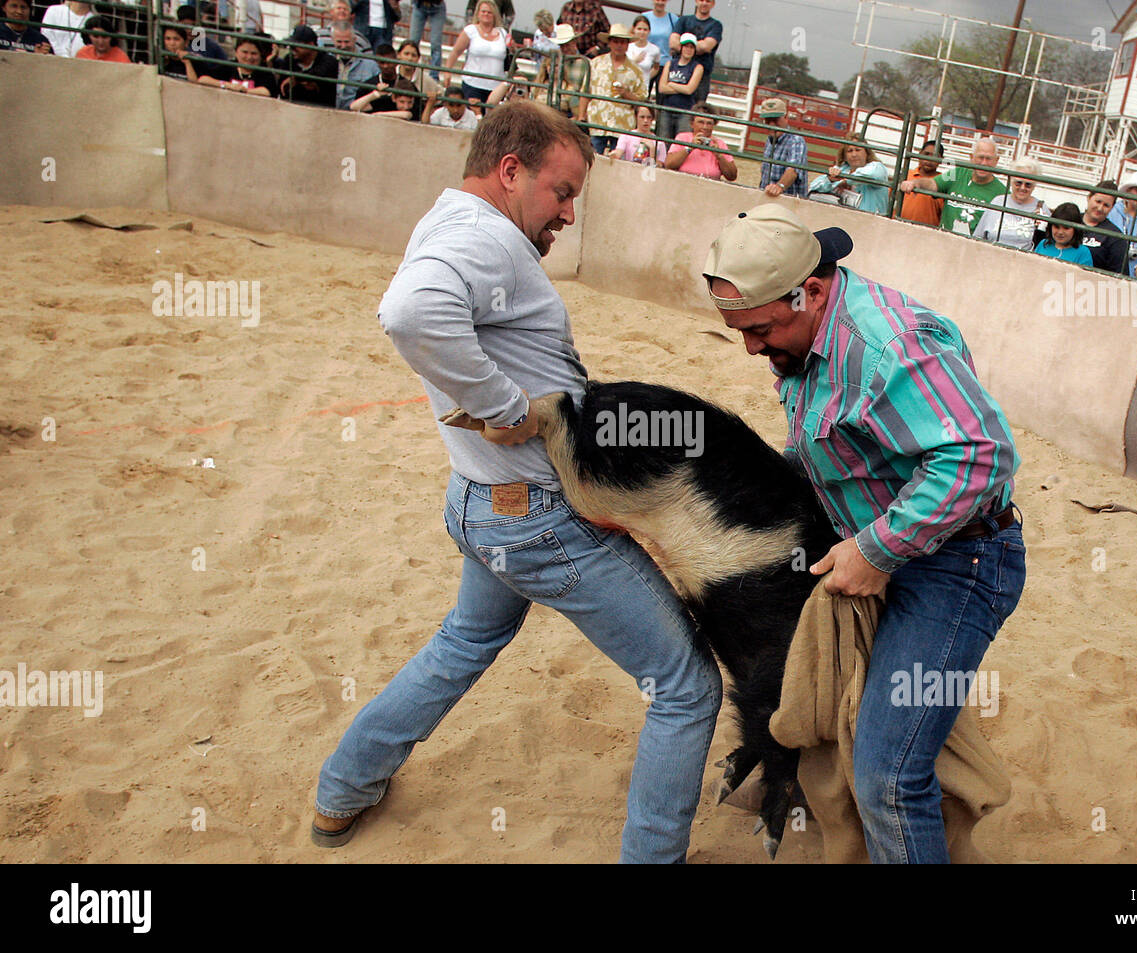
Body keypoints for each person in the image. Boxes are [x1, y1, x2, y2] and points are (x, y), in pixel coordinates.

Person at [312, 100, 723, 864]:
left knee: (465, 638)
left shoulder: (450, 219)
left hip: (480, 502)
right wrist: (507, 406)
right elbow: (409, 311)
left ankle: (343, 787)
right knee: (686, 684)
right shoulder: (489, 238)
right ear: (510, 171)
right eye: (561, 192)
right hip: (536, 517)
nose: (568, 212)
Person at [702, 203, 1024, 864]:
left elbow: (980, 454)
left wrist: (877, 550)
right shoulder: (806, 336)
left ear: (811, 291)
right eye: (742, 331)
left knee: (888, 777)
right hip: (883, 541)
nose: (753, 348)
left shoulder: (889, 344)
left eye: (760, 328)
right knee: (846, 722)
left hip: (959, 561)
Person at [900, 136, 1005, 235]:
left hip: (974, 245)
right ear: (971, 157)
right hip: (945, 239)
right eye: (980, 157)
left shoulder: (1002, 193)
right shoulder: (957, 173)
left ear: (996, 161)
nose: (984, 163)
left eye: (989, 158)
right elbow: (933, 183)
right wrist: (915, 183)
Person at [584, 24, 646, 155]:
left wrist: (626, 94)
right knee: (592, 158)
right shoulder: (595, 63)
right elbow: (585, 91)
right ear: (610, 43)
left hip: (622, 125)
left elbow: (642, 99)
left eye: (622, 42)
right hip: (597, 121)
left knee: (618, 162)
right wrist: (581, 117)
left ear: (627, 44)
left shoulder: (636, 70)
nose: (619, 45)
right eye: (616, 41)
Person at [443, 0, 507, 107]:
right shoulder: (470, 30)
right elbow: (456, 52)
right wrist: (447, 71)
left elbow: (510, 55)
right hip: (472, 83)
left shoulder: (503, 33)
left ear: (495, 15)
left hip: (496, 86)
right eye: (483, 11)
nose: (486, 14)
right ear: (478, 13)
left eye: (489, 12)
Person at [973, 158, 1045, 251]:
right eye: (1018, 183)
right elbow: (978, 236)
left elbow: (1045, 245)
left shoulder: (1041, 208)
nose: (1022, 188)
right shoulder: (998, 202)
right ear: (1011, 180)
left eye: (1028, 184)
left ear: (1034, 185)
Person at [808, 139, 889, 214]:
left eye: (858, 150)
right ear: (844, 156)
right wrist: (830, 179)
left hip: (870, 219)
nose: (854, 154)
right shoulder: (842, 168)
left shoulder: (877, 167)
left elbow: (871, 174)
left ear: (867, 153)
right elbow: (813, 187)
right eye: (849, 151)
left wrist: (846, 181)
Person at [663, 102, 735, 181]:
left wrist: (719, 155)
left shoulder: (719, 143)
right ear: (692, 124)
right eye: (701, 122)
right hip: (683, 182)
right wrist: (689, 148)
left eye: (709, 123)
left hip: (709, 185)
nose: (705, 127)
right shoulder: (682, 138)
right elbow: (668, 165)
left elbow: (732, 176)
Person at [1069, 181, 1127, 273]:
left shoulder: (1115, 236)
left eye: (1106, 205)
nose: (1100, 208)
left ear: (1112, 207)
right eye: (1098, 201)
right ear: (1089, 197)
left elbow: (1118, 274)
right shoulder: (1070, 220)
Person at [274, 24, 338, 107]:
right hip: (291, 108)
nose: (292, 48)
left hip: (321, 110)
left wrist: (296, 78)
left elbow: (320, 74)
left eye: (296, 45)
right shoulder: (289, 59)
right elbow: (283, 89)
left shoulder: (327, 60)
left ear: (310, 44)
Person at [669, 0, 720, 104]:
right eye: (701, 0)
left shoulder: (715, 26)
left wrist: (683, 45)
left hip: (702, 78)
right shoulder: (683, 20)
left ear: (713, 4)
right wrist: (698, 46)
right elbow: (673, 43)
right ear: (696, 2)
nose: (704, 3)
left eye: (708, 1)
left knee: (697, 110)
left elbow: (706, 46)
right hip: (677, 73)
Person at [656, 31, 702, 141]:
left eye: (691, 47)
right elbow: (661, 88)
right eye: (686, 46)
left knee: (682, 141)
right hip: (667, 108)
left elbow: (689, 90)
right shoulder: (670, 64)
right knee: (662, 141)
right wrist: (682, 87)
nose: (688, 50)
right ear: (681, 47)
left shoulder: (697, 67)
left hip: (685, 111)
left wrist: (671, 84)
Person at [758, 98, 808, 199]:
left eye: (776, 119)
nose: (772, 124)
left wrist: (779, 186)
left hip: (788, 200)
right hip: (768, 196)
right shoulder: (770, 140)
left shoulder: (796, 141)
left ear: (785, 117)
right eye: (768, 120)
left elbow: (793, 170)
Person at [197, 32, 276, 95]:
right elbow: (203, 79)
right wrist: (227, 85)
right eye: (245, 52)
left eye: (254, 53)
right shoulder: (229, 66)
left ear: (261, 55)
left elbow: (266, 91)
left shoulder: (264, 72)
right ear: (236, 52)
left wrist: (243, 90)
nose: (249, 57)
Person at [331, 19, 381, 109]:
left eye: (347, 42)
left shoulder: (370, 65)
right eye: (339, 42)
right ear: (333, 40)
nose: (343, 46)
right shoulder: (327, 60)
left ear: (354, 40)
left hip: (356, 113)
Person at [899, 139, 944, 226]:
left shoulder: (942, 183)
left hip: (927, 230)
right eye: (926, 154)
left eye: (935, 156)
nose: (929, 160)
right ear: (920, 154)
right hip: (900, 225)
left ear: (941, 160)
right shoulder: (906, 175)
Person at [351, 74, 420, 118]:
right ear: (393, 98)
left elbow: (406, 115)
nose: (406, 106)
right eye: (402, 102)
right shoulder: (385, 102)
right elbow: (354, 107)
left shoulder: (413, 108)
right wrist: (376, 94)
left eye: (410, 102)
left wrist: (379, 114)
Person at [408, 0, 447, 68]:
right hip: (419, 5)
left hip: (437, 6)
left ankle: (434, 72)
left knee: (435, 44)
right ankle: (409, 68)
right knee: (413, 42)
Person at [626, 15, 660, 87]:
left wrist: (646, 78)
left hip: (643, 88)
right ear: (634, 29)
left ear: (649, 31)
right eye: (639, 29)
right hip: (626, 85)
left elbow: (656, 68)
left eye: (645, 30)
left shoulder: (655, 49)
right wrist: (635, 61)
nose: (642, 32)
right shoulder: (627, 47)